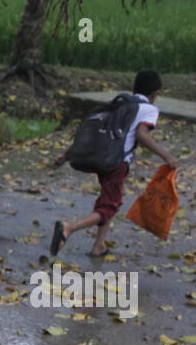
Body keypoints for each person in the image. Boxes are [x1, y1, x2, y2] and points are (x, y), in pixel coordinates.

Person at [49, 70, 179, 258]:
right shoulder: (149, 109)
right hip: (117, 163)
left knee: (108, 200)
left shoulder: (120, 103)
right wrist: (167, 156)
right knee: (110, 205)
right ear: (155, 93)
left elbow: (95, 130)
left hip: (102, 157)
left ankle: (98, 246)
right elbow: (142, 135)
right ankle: (69, 228)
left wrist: (67, 154)